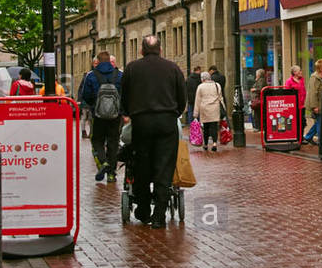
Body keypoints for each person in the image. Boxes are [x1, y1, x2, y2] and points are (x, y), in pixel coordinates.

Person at [120, 35, 186, 228]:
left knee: (142, 166)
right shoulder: (173, 68)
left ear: (141, 50)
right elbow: (182, 99)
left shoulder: (132, 68)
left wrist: (129, 113)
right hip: (167, 122)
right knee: (164, 169)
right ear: (161, 50)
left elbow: (124, 97)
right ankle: (159, 216)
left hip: (141, 122)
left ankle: (143, 210)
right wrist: (174, 112)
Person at [79, 51, 123, 183]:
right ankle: (111, 174)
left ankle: (103, 162)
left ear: (97, 61)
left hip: (98, 115)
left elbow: (85, 94)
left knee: (97, 140)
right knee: (113, 143)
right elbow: (125, 92)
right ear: (110, 60)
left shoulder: (91, 76)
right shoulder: (119, 75)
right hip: (115, 115)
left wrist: (94, 106)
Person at [193, 70, 227, 152]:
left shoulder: (200, 87)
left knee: (206, 127)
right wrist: (224, 109)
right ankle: (214, 143)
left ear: (203, 78)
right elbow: (220, 98)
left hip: (204, 108)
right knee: (214, 126)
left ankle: (205, 144)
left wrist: (195, 114)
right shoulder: (217, 85)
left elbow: (198, 100)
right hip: (215, 108)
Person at [303, 58, 322, 146]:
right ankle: (321, 141)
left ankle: (308, 137)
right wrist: (314, 106)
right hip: (319, 104)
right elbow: (312, 93)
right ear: (321, 68)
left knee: (319, 122)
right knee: (320, 122)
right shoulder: (315, 78)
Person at [78, 57, 98, 138]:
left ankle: (91, 131)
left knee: (90, 117)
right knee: (84, 116)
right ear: (93, 64)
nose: (97, 65)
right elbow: (81, 88)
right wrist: (79, 99)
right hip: (85, 100)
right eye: (95, 63)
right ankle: (83, 131)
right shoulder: (88, 75)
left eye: (98, 63)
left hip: (92, 101)